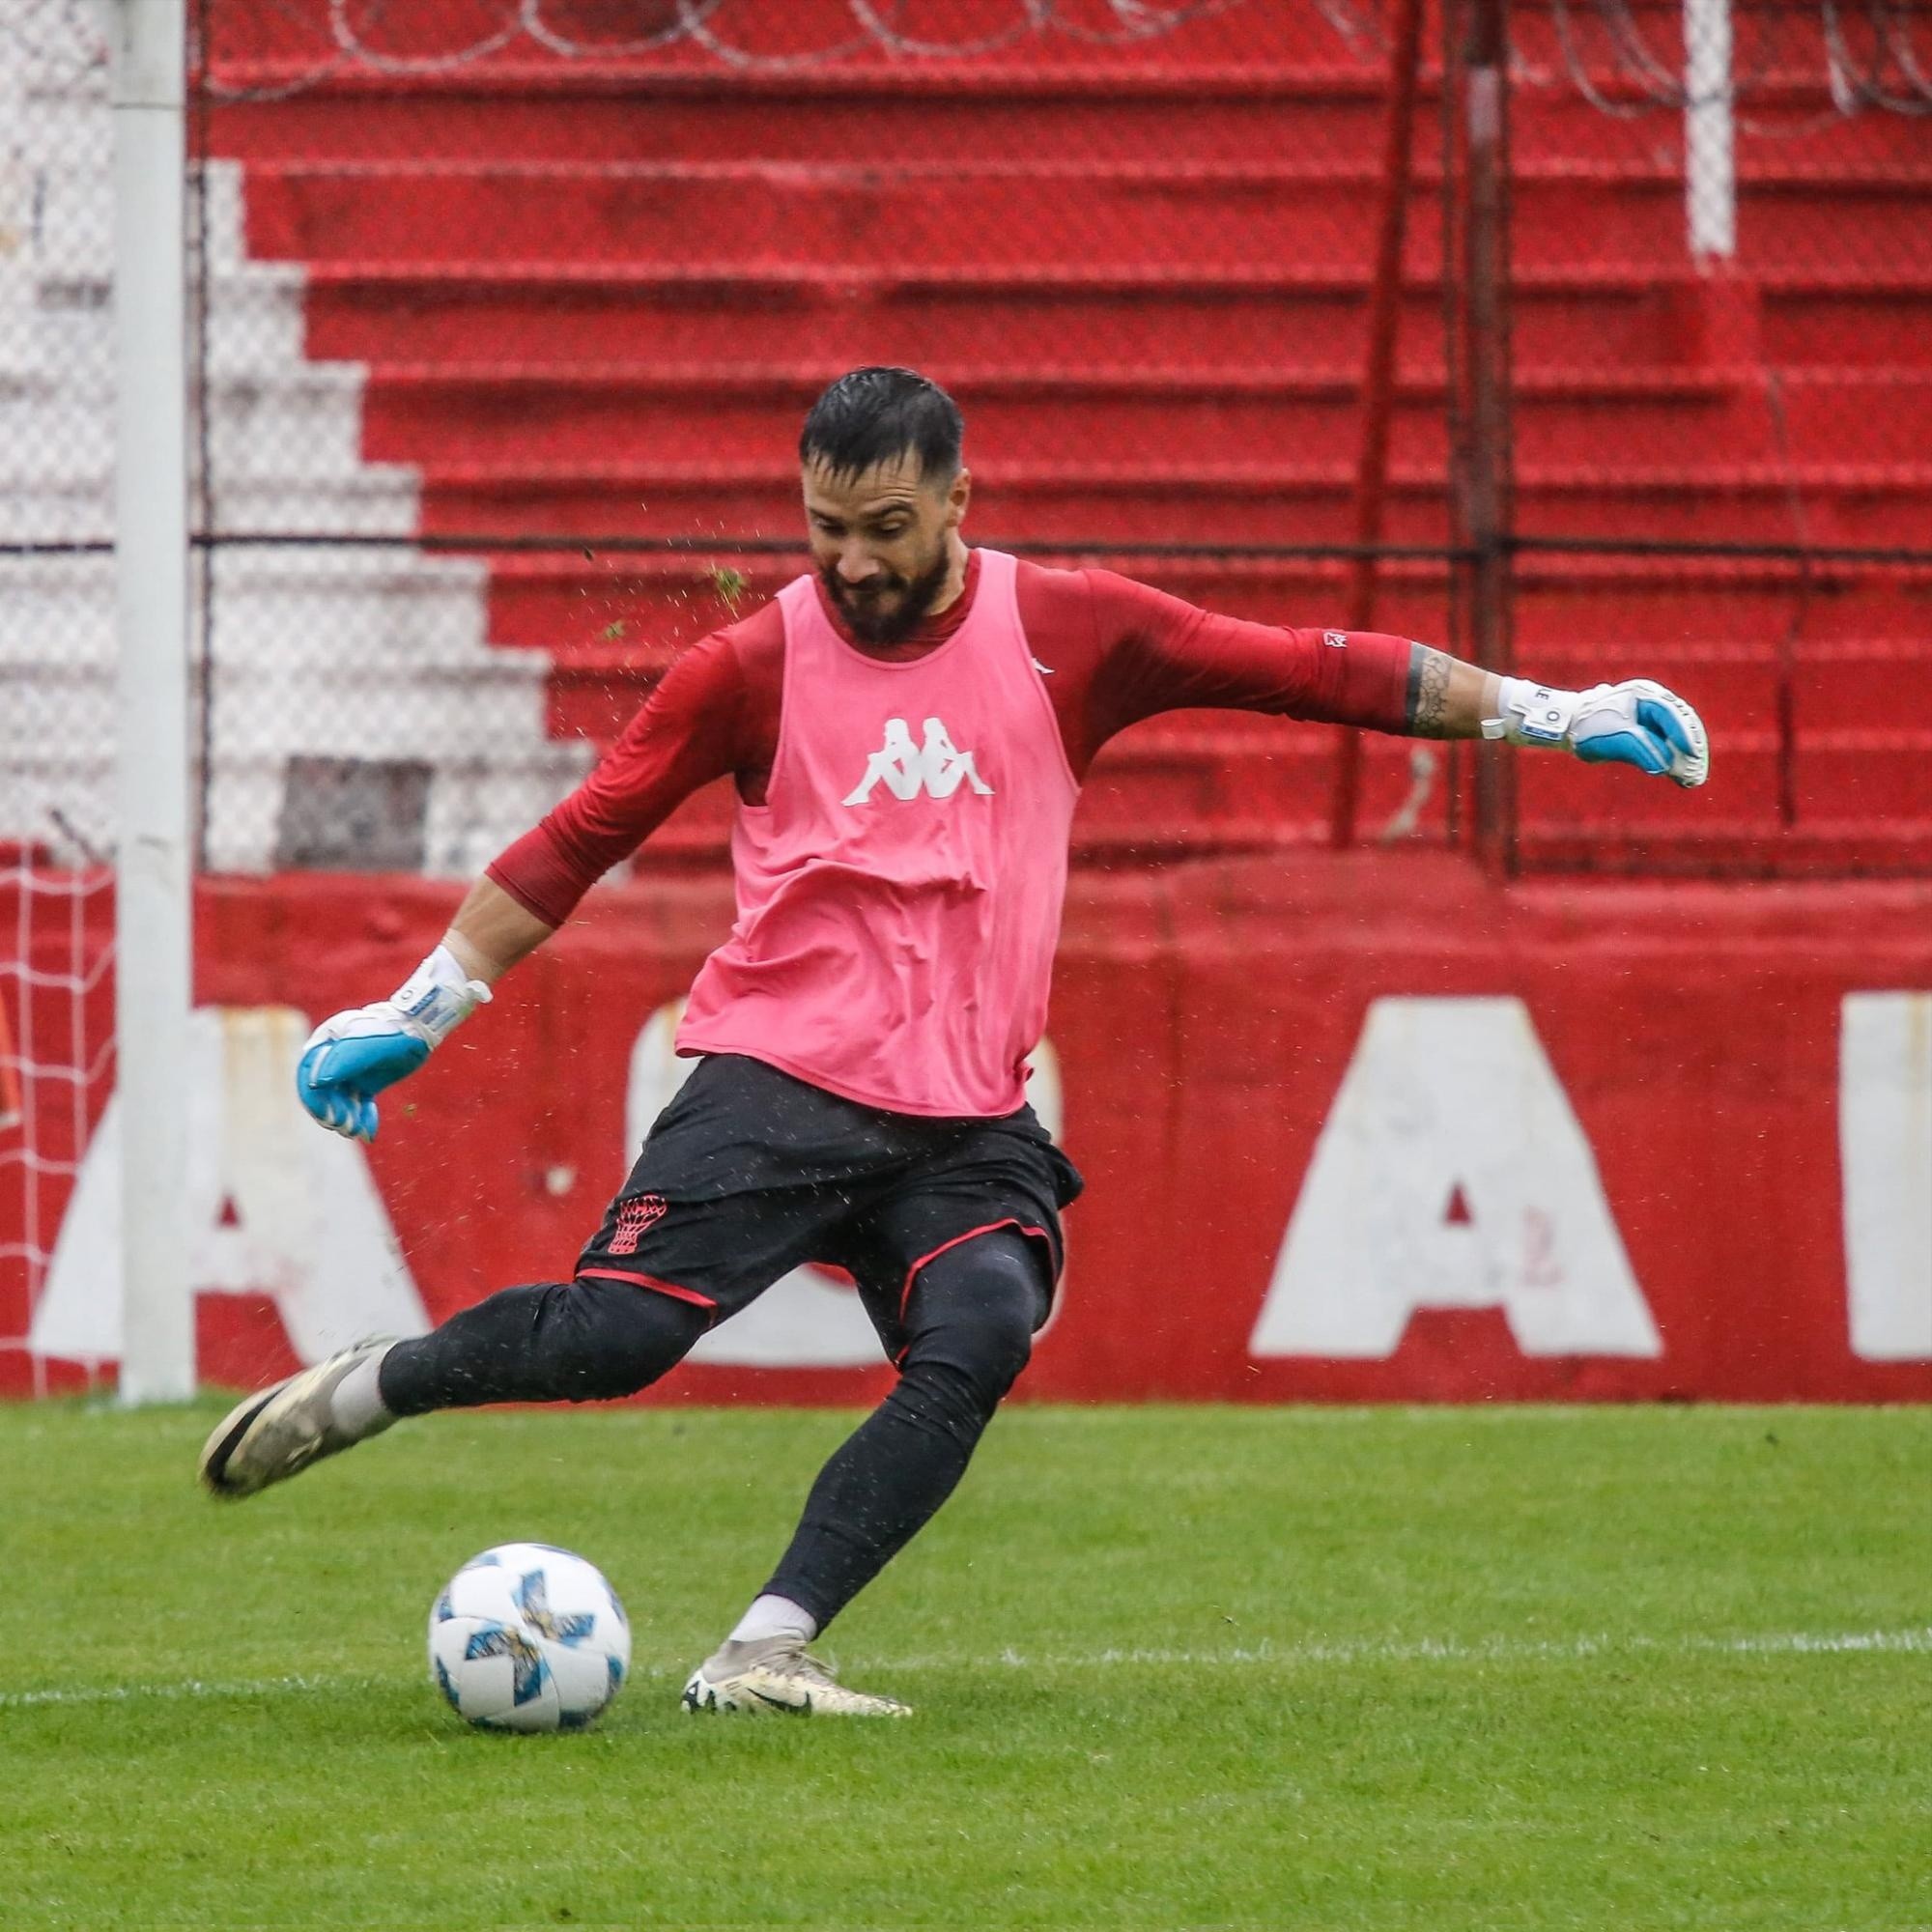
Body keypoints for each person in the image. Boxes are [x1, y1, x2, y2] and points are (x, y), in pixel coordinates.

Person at [199, 366, 1708, 1718]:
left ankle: (764, 1651)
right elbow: (577, 840)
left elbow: (1313, 666)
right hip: (775, 1083)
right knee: (619, 1344)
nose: (853, 561)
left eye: (888, 527)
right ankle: (374, 1385)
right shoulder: (749, 666)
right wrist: (422, 1005)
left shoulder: (1074, 631)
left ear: (960, 501)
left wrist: (1551, 711)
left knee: (980, 1329)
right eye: (823, 527)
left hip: (965, 1116)